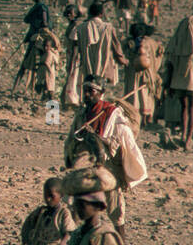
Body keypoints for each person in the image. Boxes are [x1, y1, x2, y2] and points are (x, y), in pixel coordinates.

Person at [63, 76, 148, 231]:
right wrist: (68, 155)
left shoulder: (112, 113)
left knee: (116, 210)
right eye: (85, 91)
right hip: (86, 162)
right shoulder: (82, 113)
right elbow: (72, 137)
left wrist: (96, 136)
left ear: (101, 92)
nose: (87, 94)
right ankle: (71, 244)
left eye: (91, 91)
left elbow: (120, 140)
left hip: (108, 165)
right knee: (74, 201)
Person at [162, 0, 193, 150]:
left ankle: (183, 135)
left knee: (184, 108)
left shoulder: (177, 45)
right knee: (192, 109)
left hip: (178, 80)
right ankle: (188, 138)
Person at [74, 2, 128, 90]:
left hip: (87, 65)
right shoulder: (108, 27)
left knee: (88, 88)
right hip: (103, 65)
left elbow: (77, 46)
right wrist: (122, 59)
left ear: (89, 13)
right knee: (99, 89)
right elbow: (116, 46)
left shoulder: (81, 27)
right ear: (101, 14)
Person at [125, 23, 163, 125]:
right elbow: (158, 58)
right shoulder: (153, 43)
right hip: (149, 74)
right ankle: (147, 118)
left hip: (133, 73)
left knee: (134, 95)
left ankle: (135, 118)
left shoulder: (129, 42)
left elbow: (125, 56)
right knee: (146, 95)